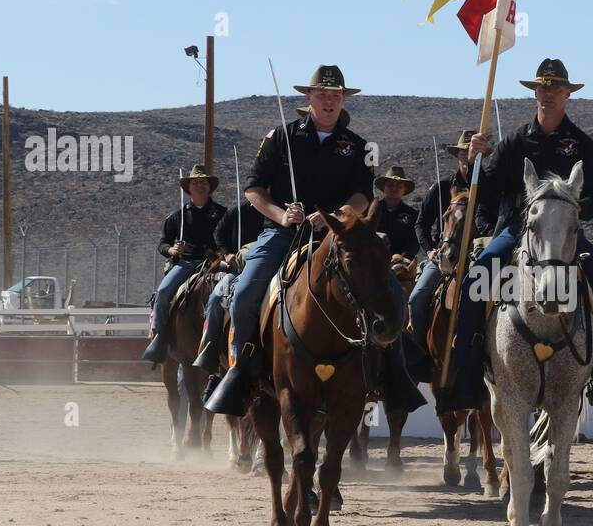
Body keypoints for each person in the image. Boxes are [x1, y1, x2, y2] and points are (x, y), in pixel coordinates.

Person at [203, 64, 423, 417]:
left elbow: (362, 196)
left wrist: (334, 215)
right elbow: (254, 190)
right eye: (322, 95)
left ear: (342, 101)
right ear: (309, 98)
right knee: (244, 293)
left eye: (335, 96)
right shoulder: (280, 138)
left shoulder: (359, 147)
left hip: (338, 235)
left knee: (389, 289)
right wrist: (280, 215)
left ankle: (394, 373)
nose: (329, 102)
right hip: (282, 234)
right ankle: (242, 371)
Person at [440, 58, 593, 414]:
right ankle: (468, 369)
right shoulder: (516, 141)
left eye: (555, 88)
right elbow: (487, 191)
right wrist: (474, 163)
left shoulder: (580, 144)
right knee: (476, 278)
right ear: (535, 92)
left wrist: (576, 211)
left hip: (564, 235)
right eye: (542, 88)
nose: (547, 94)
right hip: (519, 230)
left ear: (567, 94)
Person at [142, 165, 225, 365]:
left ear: (210, 187)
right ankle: (160, 338)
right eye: (195, 182)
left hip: (215, 263)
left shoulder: (223, 213)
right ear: (189, 188)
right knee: (162, 293)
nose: (200, 185)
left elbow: (229, 238)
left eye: (204, 181)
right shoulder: (176, 217)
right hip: (186, 263)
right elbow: (162, 243)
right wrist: (171, 251)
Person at [408, 130, 474, 360]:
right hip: (444, 255)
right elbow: (421, 223)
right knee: (416, 298)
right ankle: (418, 356)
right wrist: (430, 250)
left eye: (472, 152)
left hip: (479, 256)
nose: (468, 157)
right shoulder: (441, 187)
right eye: (463, 153)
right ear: (458, 156)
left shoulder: (490, 187)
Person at [193, 198, 263, 375]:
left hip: (275, 266)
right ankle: (210, 349)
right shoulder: (238, 212)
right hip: (239, 270)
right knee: (216, 296)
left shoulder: (285, 207)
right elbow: (219, 233)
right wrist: (227, 253)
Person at [373, 167, 420, 260]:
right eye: (390, 185)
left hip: (400, 263)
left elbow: (414, 242)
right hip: (372, 259)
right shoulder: (372, 210)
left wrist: (403, 257)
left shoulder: (413, 214)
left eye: (399, 186)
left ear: (404, 190)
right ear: (383, 187)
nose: (394, 188)